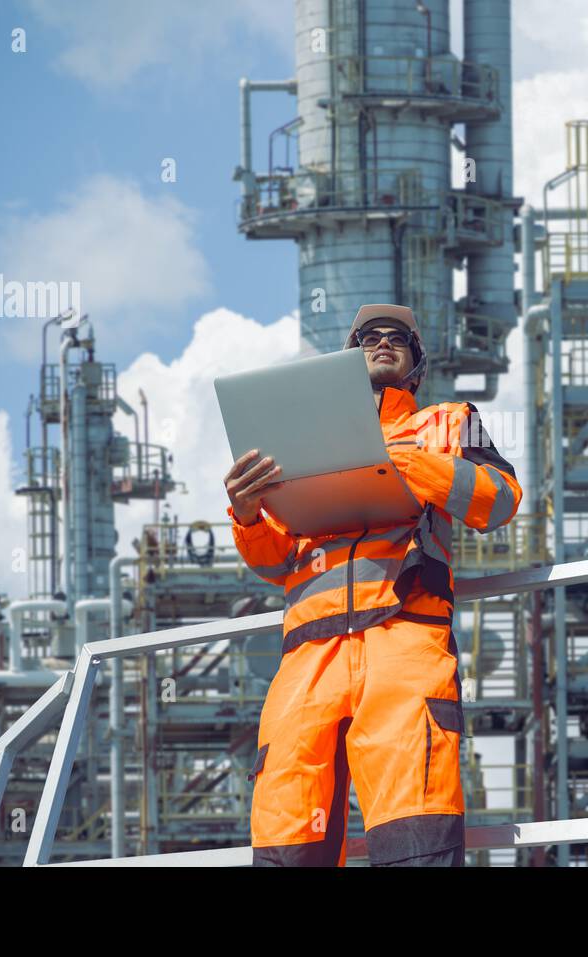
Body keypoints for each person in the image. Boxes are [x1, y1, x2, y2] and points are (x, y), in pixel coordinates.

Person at [223, 303, 522, 866]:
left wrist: (409, 463)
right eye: (368, 338)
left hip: (404, 638)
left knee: (416, 828)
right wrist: (245, 513)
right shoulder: (302, 443)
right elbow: (275, 558)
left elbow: (501, 498)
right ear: (348, 358)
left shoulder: (453, 420)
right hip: (306, 658)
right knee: (288, 827)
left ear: (416, 362)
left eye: (398, 338)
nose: (383, 343)